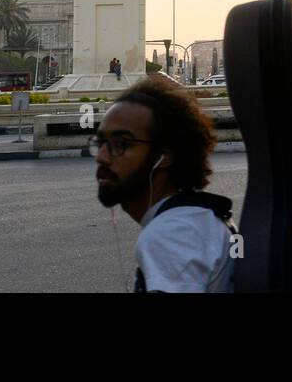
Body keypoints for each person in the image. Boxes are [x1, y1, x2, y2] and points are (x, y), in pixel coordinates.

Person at [92, 77, 235, 292]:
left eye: (120, 144)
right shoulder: (199, 219)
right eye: (101, 142)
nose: (101, 157)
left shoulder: (170, 235)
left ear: (163, 156)